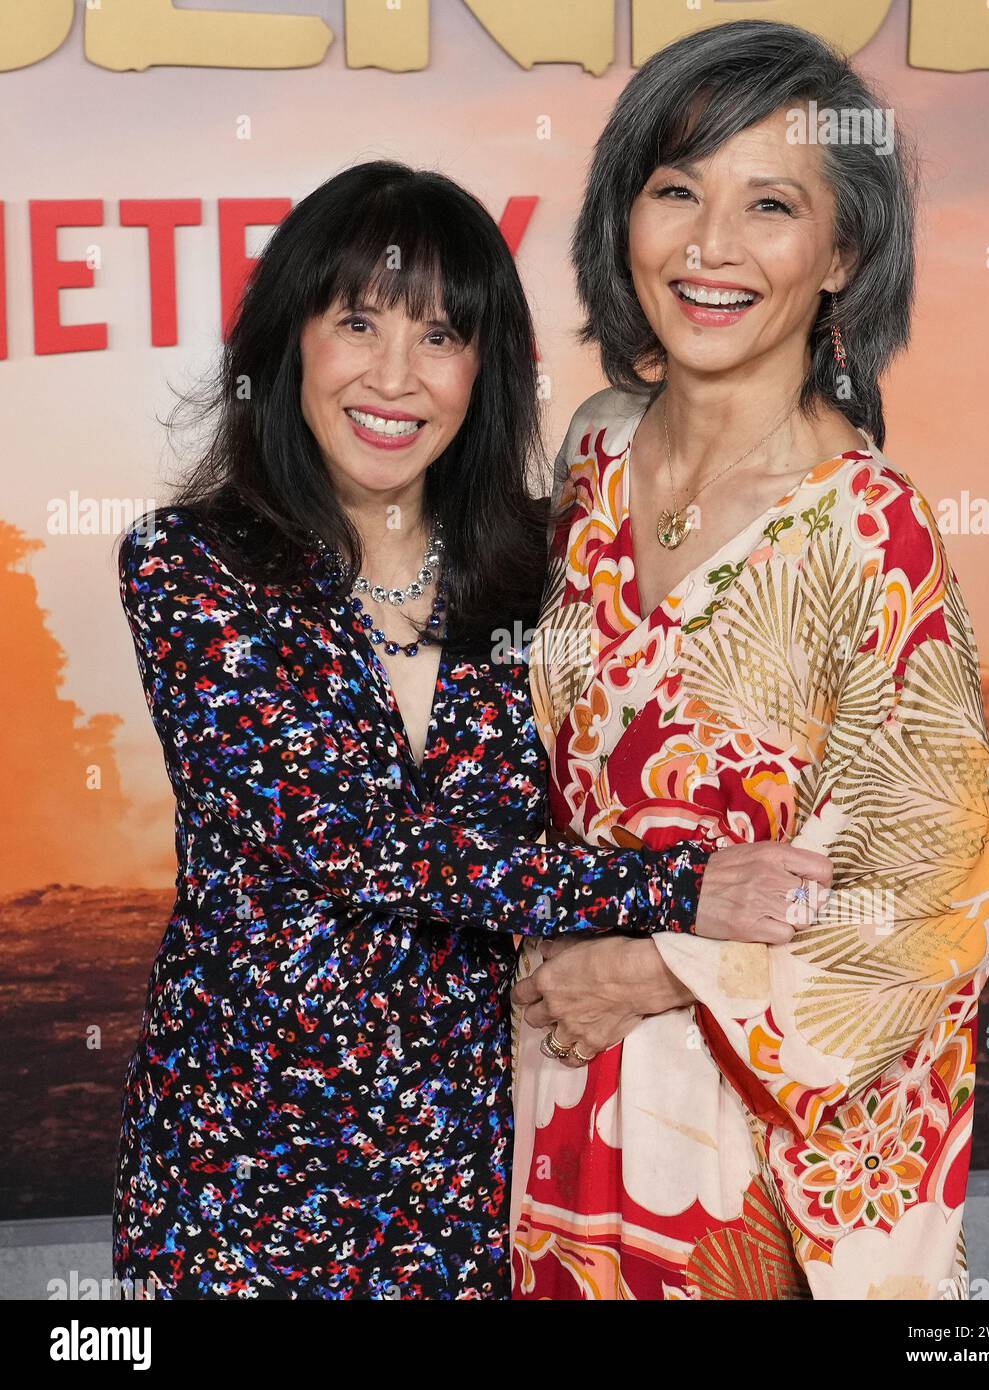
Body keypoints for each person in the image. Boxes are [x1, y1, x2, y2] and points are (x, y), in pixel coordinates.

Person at [112, 160, 829, 1299]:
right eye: (356, 322)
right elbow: (345, 839)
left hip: (473, 1169)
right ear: (287, 343)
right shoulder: (189, 566)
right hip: (236, 1173)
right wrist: (679, 889)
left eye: (440, 336)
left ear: (482, 370)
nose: (394, 377)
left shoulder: (544, 569)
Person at [511, 20, 989, 1301]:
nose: (709, 246)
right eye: (674, 189)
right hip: (551, 1102)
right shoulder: (593, 453)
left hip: (735, 1156)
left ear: (840, 254)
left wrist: (639, 968)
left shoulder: (866, 529)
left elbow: (927, 912)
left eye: (768, 204)